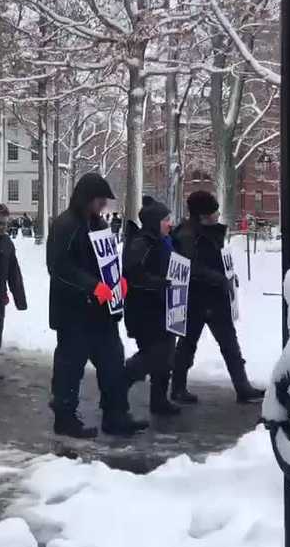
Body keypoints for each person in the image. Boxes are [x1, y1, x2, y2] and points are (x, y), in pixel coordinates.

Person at [47, 173, 148, 438]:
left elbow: (108, 261)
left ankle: (116, 415)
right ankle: (65, 418)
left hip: (102, 312)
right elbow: (59, 267)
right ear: (87, 198)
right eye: (100, 199)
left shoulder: (100, 225)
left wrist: (118, 281)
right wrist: (92, 286)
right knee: (70, 368)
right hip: (73, 313)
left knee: (113, 363)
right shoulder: (65, 225)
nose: (103, 205)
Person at [170, 190, 261, 404]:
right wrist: (219, 278)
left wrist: (227, 276)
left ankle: (241, 387)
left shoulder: (202, 232)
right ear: (203, 215)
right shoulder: (188, 236)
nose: (218, 215)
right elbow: (190, 267)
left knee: (223, 343)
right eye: (214, 211)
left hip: (212, 297)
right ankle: (179, 387)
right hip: (199, 298)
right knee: (192, 344)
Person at [121, 197, 181, 415]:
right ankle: (119, 383)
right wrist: (160, 283)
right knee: (152, 356)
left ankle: (159, 400)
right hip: (145, 311)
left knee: (166, 356)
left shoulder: (163, 240)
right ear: (155, 222)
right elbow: (132, 274)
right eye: (166, 220)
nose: (170, 224)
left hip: (164, 308)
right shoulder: (141, 243)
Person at [0, 203, 27, 379]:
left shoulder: (7, 243)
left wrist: (20, 299)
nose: (2, 227)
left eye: (5, 223)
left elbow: (14, 273)